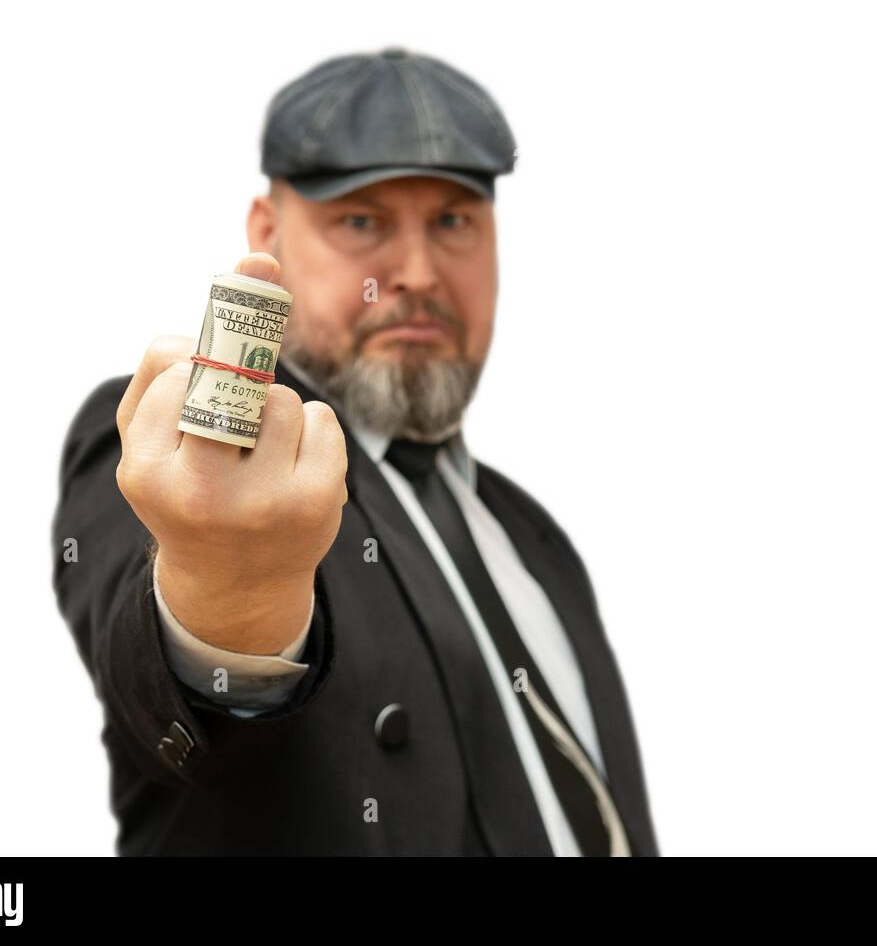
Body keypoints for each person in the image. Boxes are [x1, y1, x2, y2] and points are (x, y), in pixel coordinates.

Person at [52, 46, 659, 856]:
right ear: (267, 232)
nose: (414, 274)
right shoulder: (178, 449)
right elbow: (170, 710)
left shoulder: (535, 538)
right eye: (362, 220)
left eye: (452, 222)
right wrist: (228, 594)